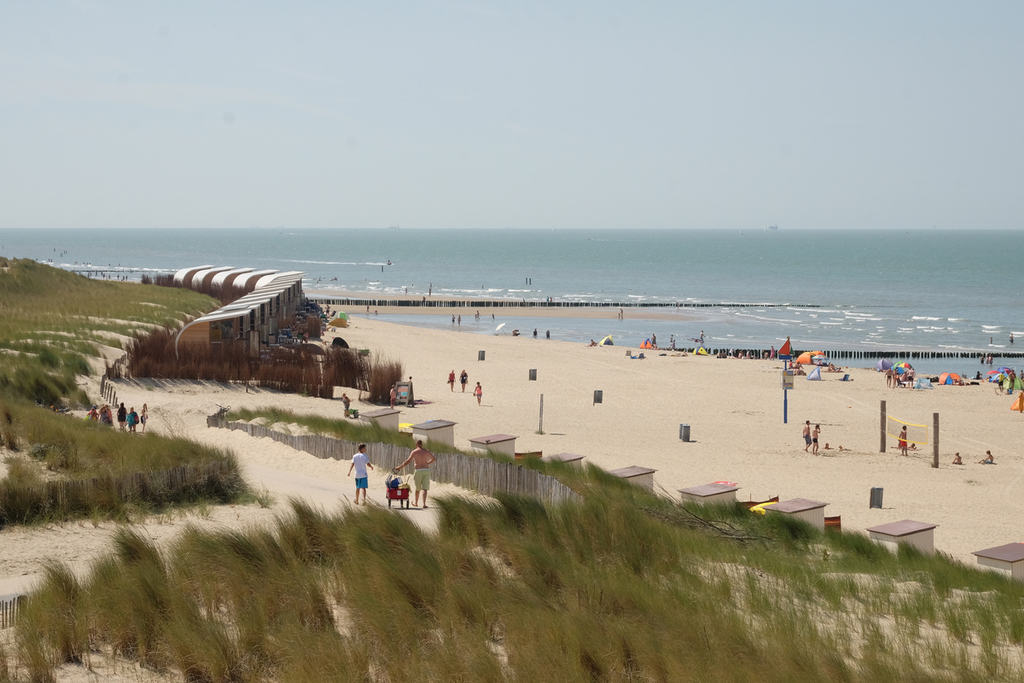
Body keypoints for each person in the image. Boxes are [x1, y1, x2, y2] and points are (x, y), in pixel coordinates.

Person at [395, 440, 436, 507]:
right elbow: (433, 459)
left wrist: (399, 467)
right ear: (422, 444)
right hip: (426, 470)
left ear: (416, 444)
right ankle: (424, 504)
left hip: (418, 470)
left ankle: (416, 503)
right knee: (425, 489)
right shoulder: (426, 451)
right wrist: (427, 463)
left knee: (418, 488)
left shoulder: (414, 452)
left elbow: (408, 461)